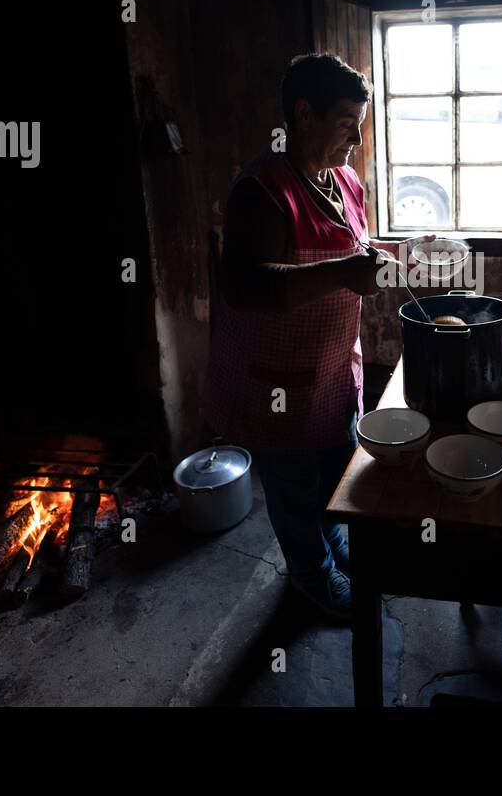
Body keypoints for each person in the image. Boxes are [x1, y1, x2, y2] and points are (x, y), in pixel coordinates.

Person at [207, 53, 430, 619]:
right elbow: (243, 286)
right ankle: (310, 575)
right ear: (304, 114)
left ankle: (336, 547)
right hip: (276, 382)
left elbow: (353, 248)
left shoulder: (345, 180)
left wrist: (388, 260)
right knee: (293, 488)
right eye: (346, 122)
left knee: (339, 466)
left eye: (359, 123)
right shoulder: (261, 192)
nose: (356, 137)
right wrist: (342, 273)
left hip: (333, 368)